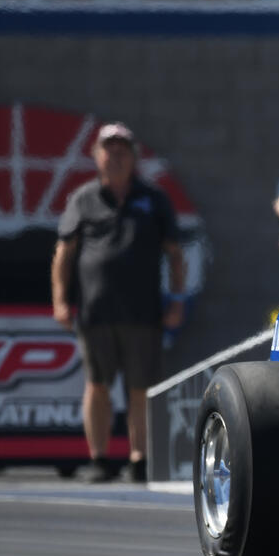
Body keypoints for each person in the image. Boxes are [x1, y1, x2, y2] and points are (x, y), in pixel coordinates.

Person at [50, 122, 186, 483]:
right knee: (97, 385)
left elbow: (175, 254)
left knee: (141, 388)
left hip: (143, 313)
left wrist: (177, 300)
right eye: (108, 150)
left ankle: (139, 458)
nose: (115, 156)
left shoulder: (153, 198)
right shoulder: (83, 198)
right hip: (95, 312)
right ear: (96, 156)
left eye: (122, 150)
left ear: (133, 158)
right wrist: (61, 300)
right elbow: (64, 253)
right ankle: (98, 457)